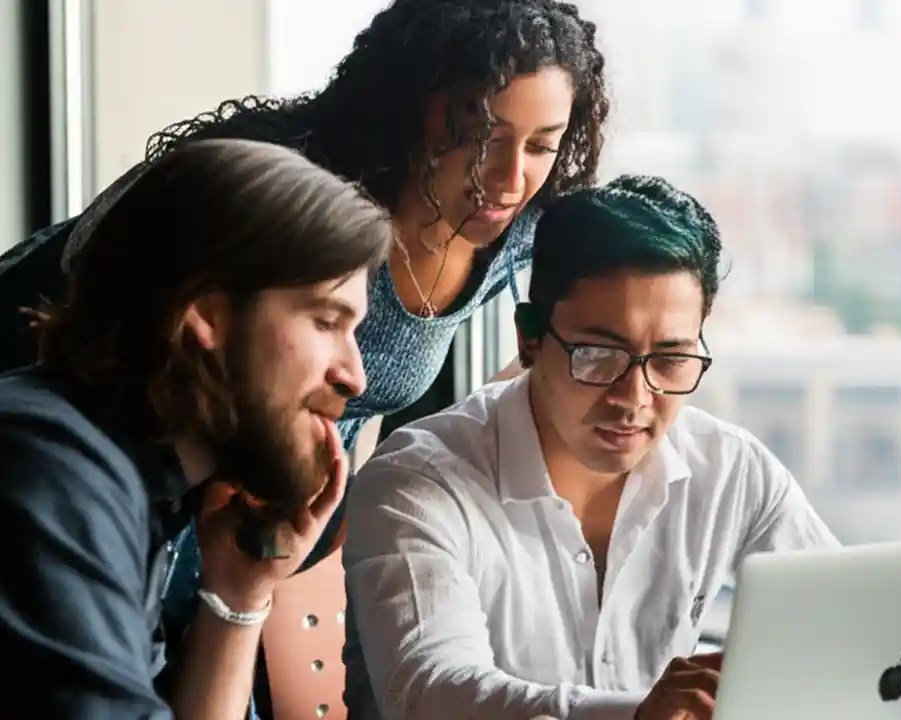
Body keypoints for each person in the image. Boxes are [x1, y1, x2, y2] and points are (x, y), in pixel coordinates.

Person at [0, 0, 610, 694]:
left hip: (227, 502)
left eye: (541, 146)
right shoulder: (286, 201)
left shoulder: (517, 225)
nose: (507, 179)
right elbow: (95, 310)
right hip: (95, 449)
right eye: (479, 136)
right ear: (410, 108)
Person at [343, 175, 839, 720]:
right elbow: (431, 691)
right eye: (599, 355)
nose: (635, 399)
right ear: (529, 338)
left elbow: (850, 618)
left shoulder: (730, 472)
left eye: (671, 360)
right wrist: (638, 714)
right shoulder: (417, 482)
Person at [0, 139, 391, 717]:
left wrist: (241, 590)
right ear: (207, 314)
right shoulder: (50, 472)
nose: (355, 377)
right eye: (326, 321)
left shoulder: (129, 479)